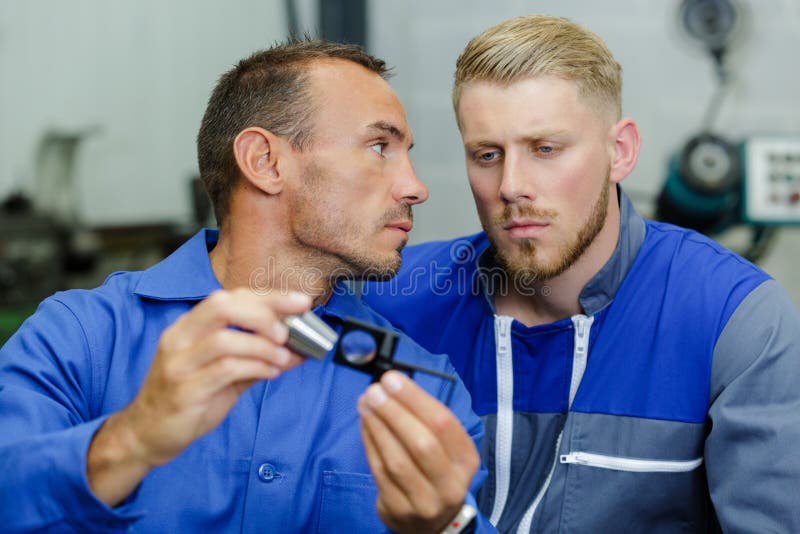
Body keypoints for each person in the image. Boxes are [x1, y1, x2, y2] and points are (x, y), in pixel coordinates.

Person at [0, 38, 494, 533]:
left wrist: (448, 525)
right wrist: (130, 439)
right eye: (379, 147)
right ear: (264, 161)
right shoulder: (79, 340)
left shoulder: (423, 386)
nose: (416, 187)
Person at [363, 14, 800, 533]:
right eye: (487, 155)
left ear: (621, 152)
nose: (511, 185)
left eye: (546, 149)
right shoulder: (391, 301)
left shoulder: (734, 318)